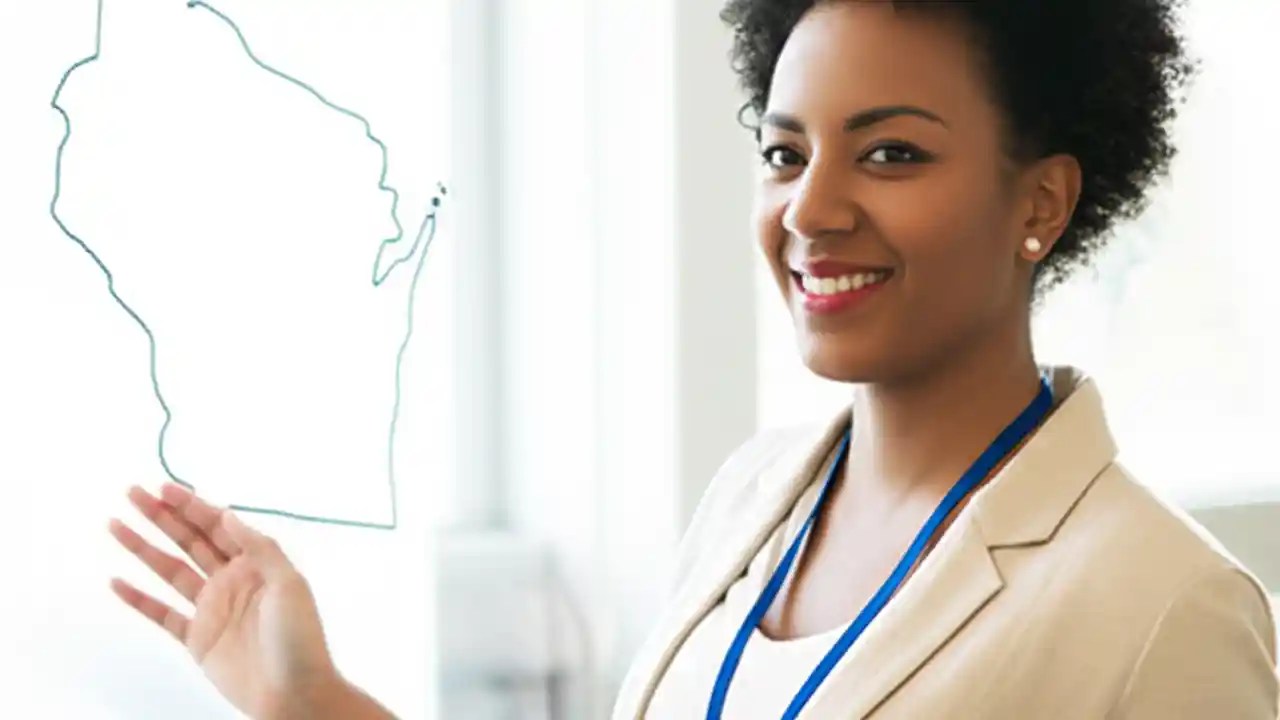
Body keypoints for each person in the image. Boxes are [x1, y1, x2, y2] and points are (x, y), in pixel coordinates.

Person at [108, 1, 1279, 718]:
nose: (809, 210)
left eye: (889, 155)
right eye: (783, 152)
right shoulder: (749, 501)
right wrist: (317, 707)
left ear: (1041, 199)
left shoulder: (1163, 607)